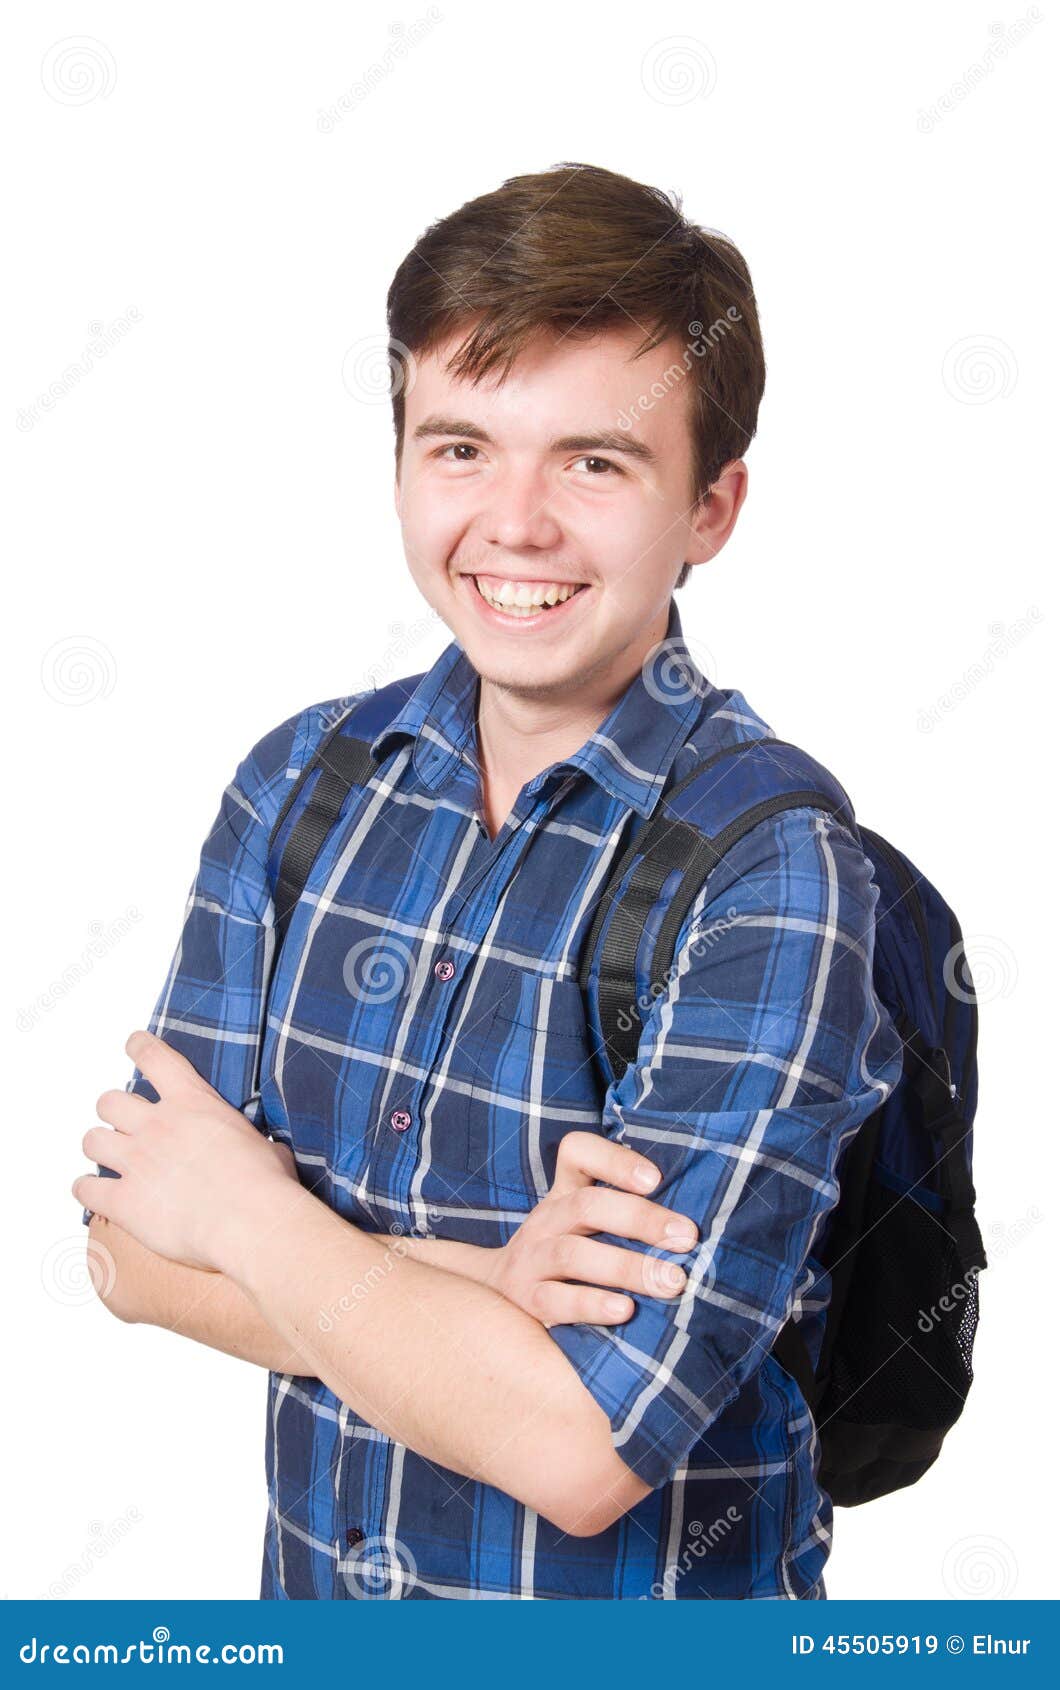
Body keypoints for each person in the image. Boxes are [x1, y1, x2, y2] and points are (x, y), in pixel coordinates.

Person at [75, 162, 904, 1600]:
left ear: (712, 505)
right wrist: (486, 1285)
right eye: (460, 447)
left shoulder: (772, 865)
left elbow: (582, 1445)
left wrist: (256, 1217)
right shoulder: (301, 782)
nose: (512, 524)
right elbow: (129, 1250)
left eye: (594, 461)